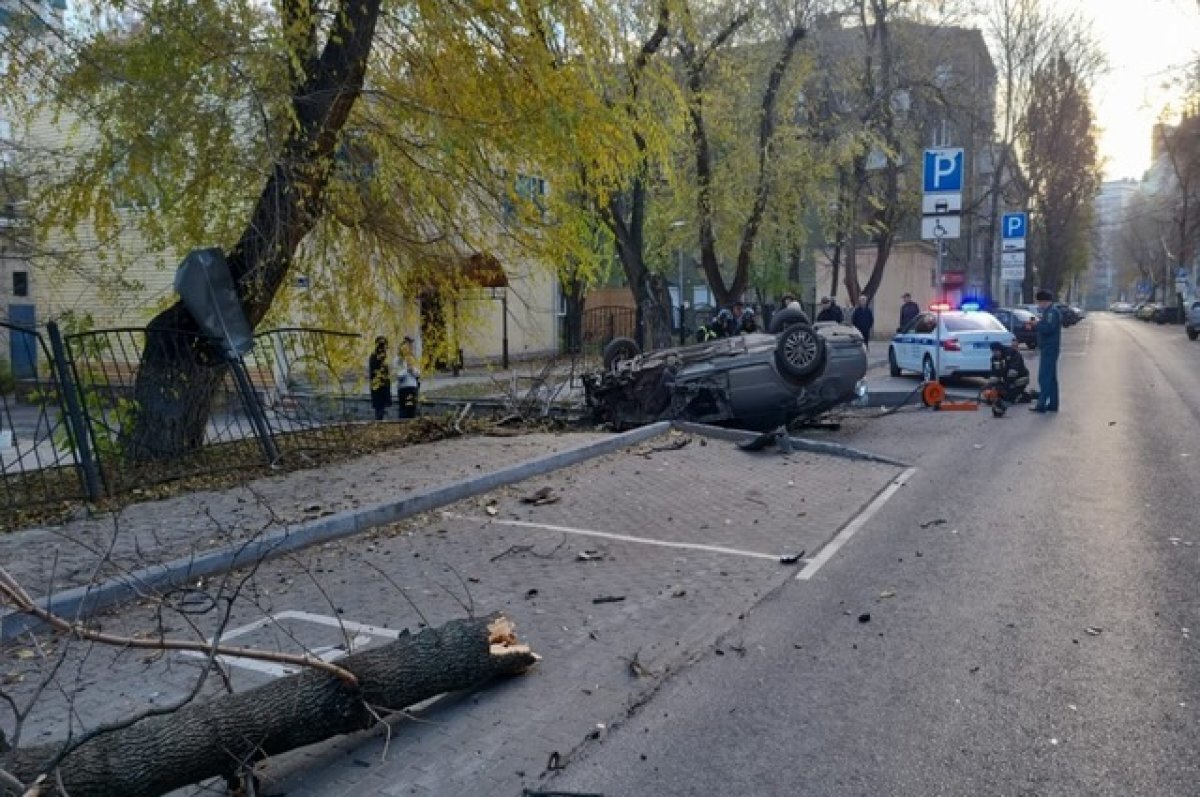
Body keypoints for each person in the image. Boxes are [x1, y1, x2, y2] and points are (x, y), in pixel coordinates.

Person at [1031, 289, 1062, 413]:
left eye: (1039, 302)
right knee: (1051, 378)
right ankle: (1053, 404)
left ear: (1044, 301)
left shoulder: (1051, 312)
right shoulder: (1051, 312)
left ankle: (1041, 404)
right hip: (1050, 347)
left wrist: (1036, 325)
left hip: (1049, 347)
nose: (1039, 305)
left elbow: (1048, 328)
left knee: (1044, 377)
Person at [987, 340, 1030, 416]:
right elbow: (994, 374)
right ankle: (1019, 395)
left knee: (1010, 396)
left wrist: (1007, 386)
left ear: (1000, 349)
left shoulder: (1012, 353)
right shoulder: (994, 359)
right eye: (993, 352)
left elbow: (1013, 371)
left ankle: (1025, 396)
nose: (995, 353)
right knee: (999, 391)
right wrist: (991, 385)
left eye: (996, 351)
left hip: (1020, 379)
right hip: (1007, 380)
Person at [395, 336, 421, 419]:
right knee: (404, 410)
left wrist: (413, 370)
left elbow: (418, 373)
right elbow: (398, 375)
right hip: (403, 388)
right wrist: (407, 370)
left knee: (412, 409)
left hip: (413, 387)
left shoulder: (413, 358)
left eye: (410, 346)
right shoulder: (398, 360)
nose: (410, 348)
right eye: (408, 345)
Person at [368, 336, 392, 421]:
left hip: (382, 387)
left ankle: (380, 421)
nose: (386, 348)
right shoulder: (375, 356)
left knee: (381, 409)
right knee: (379, 409)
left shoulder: (382, 356)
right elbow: (376, 372)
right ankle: (379, 422)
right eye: (385, 345)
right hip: (379, 388)